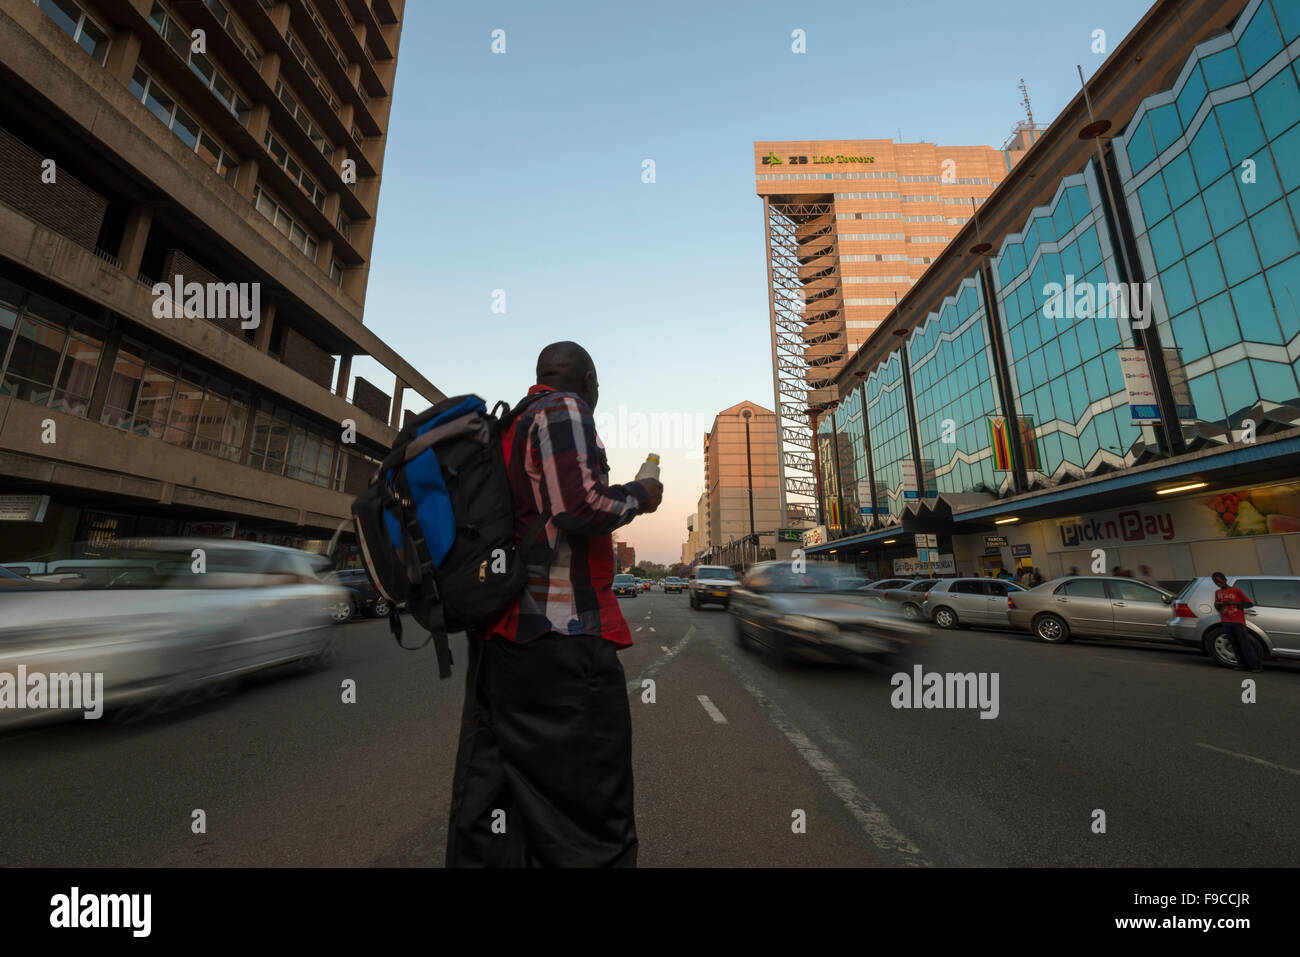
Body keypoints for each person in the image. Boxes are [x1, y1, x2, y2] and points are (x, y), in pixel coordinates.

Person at [445, 342, 663, 867]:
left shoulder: (506, 426)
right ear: (587, 377)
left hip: (503, 639)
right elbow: (580, 508)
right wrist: (642, 493)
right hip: (562, 639)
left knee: (497, 805)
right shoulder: (564, 409)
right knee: (588, 812)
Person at [1211, 571, 1262, 672]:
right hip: (1226, 621)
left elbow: (1248, 604)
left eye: (1220, 581)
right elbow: (1216, 605)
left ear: (1225, 580)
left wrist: (1233, 603)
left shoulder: (1236, 590)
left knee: (1244, 643)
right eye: (1216, 583)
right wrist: (1220, 604)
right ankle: (1242, 665)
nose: (1218, 584)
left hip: (1237, 621)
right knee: (1233, 644)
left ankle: (1255, 666)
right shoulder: (1218, 593)